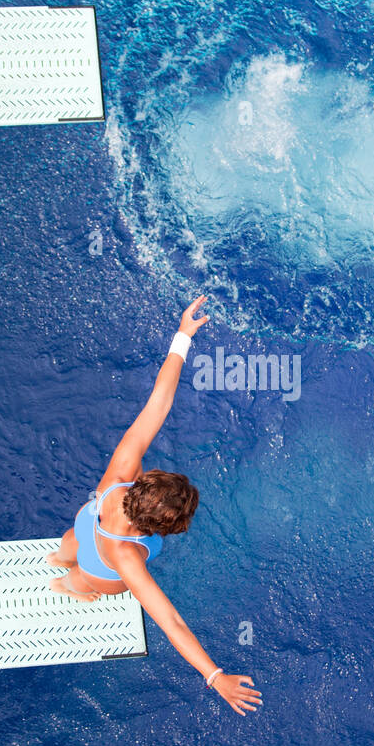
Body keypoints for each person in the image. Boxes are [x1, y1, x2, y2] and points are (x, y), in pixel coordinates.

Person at [47, 296, 262, 716]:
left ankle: (58, 557)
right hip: (103, 567)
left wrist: (182, 337)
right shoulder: (128, 557)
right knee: (83, 583)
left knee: (70, 545)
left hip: (87, 524)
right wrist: (215, 676)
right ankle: (66, 585)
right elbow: (171, 621)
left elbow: (157, 405)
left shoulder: (120, 474)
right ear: (157, 530)